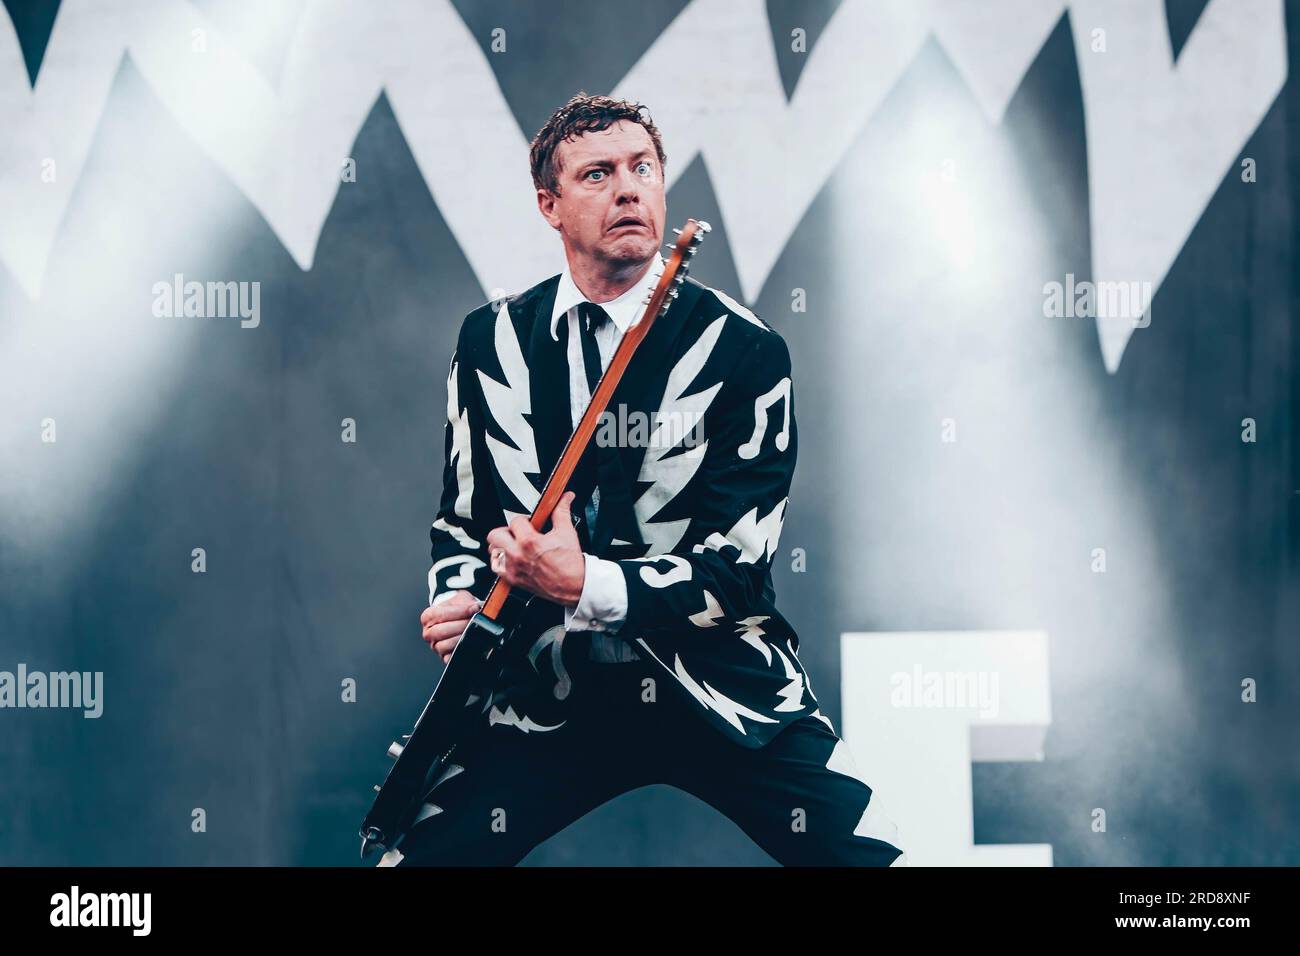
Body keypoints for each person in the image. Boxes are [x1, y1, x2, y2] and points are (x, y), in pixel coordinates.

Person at [381, 93, 905, 866]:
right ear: (549, 206)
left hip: (720, 686)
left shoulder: (744, 350)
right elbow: (463, 522)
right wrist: (463, 601)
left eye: (644, 169)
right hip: (545, 694)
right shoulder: (489, 341)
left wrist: (582, 580)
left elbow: (738, 575)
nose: (629, 189)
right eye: (598, 174)